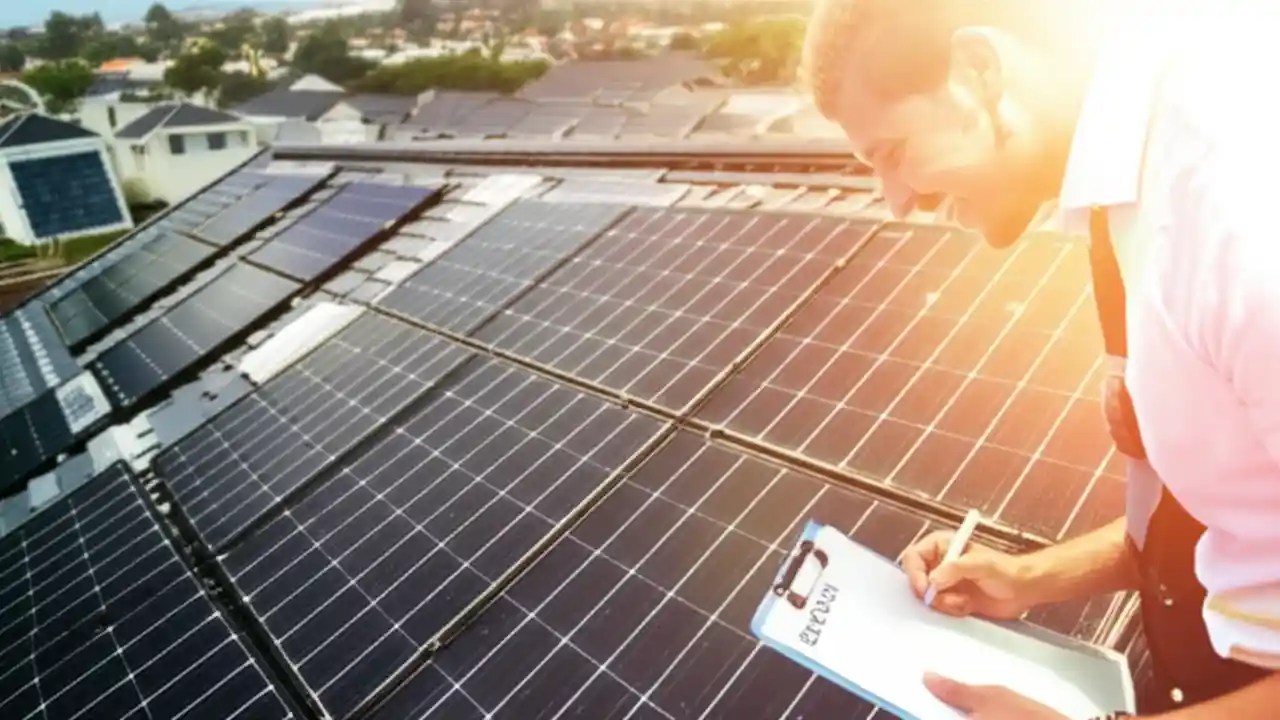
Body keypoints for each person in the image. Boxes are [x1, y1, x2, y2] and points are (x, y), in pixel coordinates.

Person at [802, 0, 1280, 718]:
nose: (895, 202)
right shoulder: (1133, 196)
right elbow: (1236, 507)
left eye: (893, 153)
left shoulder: (1234, 220)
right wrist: (1027, 578)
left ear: (981, 69)